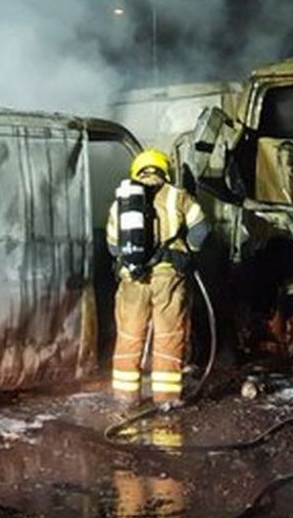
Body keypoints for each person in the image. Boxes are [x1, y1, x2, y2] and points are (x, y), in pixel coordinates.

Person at [105, 148, 208, 406]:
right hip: (168, 278)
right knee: (168, 336)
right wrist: (188, 254)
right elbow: (201, 231)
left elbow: (113, 247)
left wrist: (133, 261)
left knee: (129, 336)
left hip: (132, 280)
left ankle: (126, 398)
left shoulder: (121, 202)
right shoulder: (177, 196)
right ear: (164, 170)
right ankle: (165, 399)